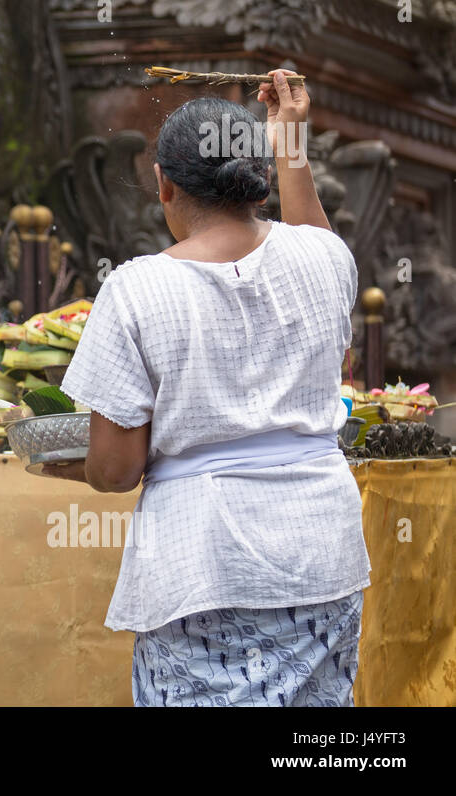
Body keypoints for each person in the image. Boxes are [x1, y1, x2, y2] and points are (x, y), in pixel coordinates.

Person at [60, 70, 371, 706]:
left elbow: (116, 470)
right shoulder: (326, 260)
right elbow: (315, 243)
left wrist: (71, 464)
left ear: (164, 183)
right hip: (323, 556)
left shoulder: (137, 288)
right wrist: (291, 146)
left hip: (205, 565)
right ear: (256, 178)